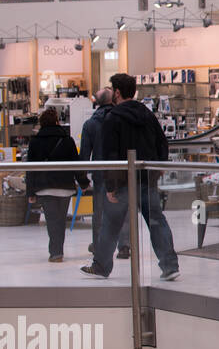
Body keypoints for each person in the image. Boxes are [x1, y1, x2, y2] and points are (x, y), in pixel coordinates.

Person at [82, 73, 179, 281]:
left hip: (122, 183)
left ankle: (101, 266)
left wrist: (109, 186)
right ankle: (170, 266)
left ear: (117, 92)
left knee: (110, 224)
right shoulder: (146, 115)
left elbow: (110, 155)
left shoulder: (112, 118)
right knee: (156, 221)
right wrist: (159, 165)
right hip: (146, 179)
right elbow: (162, 142)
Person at [25, 107, 89, 263]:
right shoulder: (67, 140)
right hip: (65, 186)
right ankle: (57, 250)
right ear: (57, 122)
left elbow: (31, 169)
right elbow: (76, 164)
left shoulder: (35, 142)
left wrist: (30, 192)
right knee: (60, 220)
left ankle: (56, 252)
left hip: (45, 187)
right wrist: (83, 182)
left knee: (52, 221)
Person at [81, 88, 130, 261]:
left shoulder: (90, 124)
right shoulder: (122, 121)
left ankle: (99, 245)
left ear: (96, 102)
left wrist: (82, 179)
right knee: (123, 210)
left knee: (99, 212)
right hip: (123, 172)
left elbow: (85, 154)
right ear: (113, 100)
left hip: (100, 174)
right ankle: (124, 246)